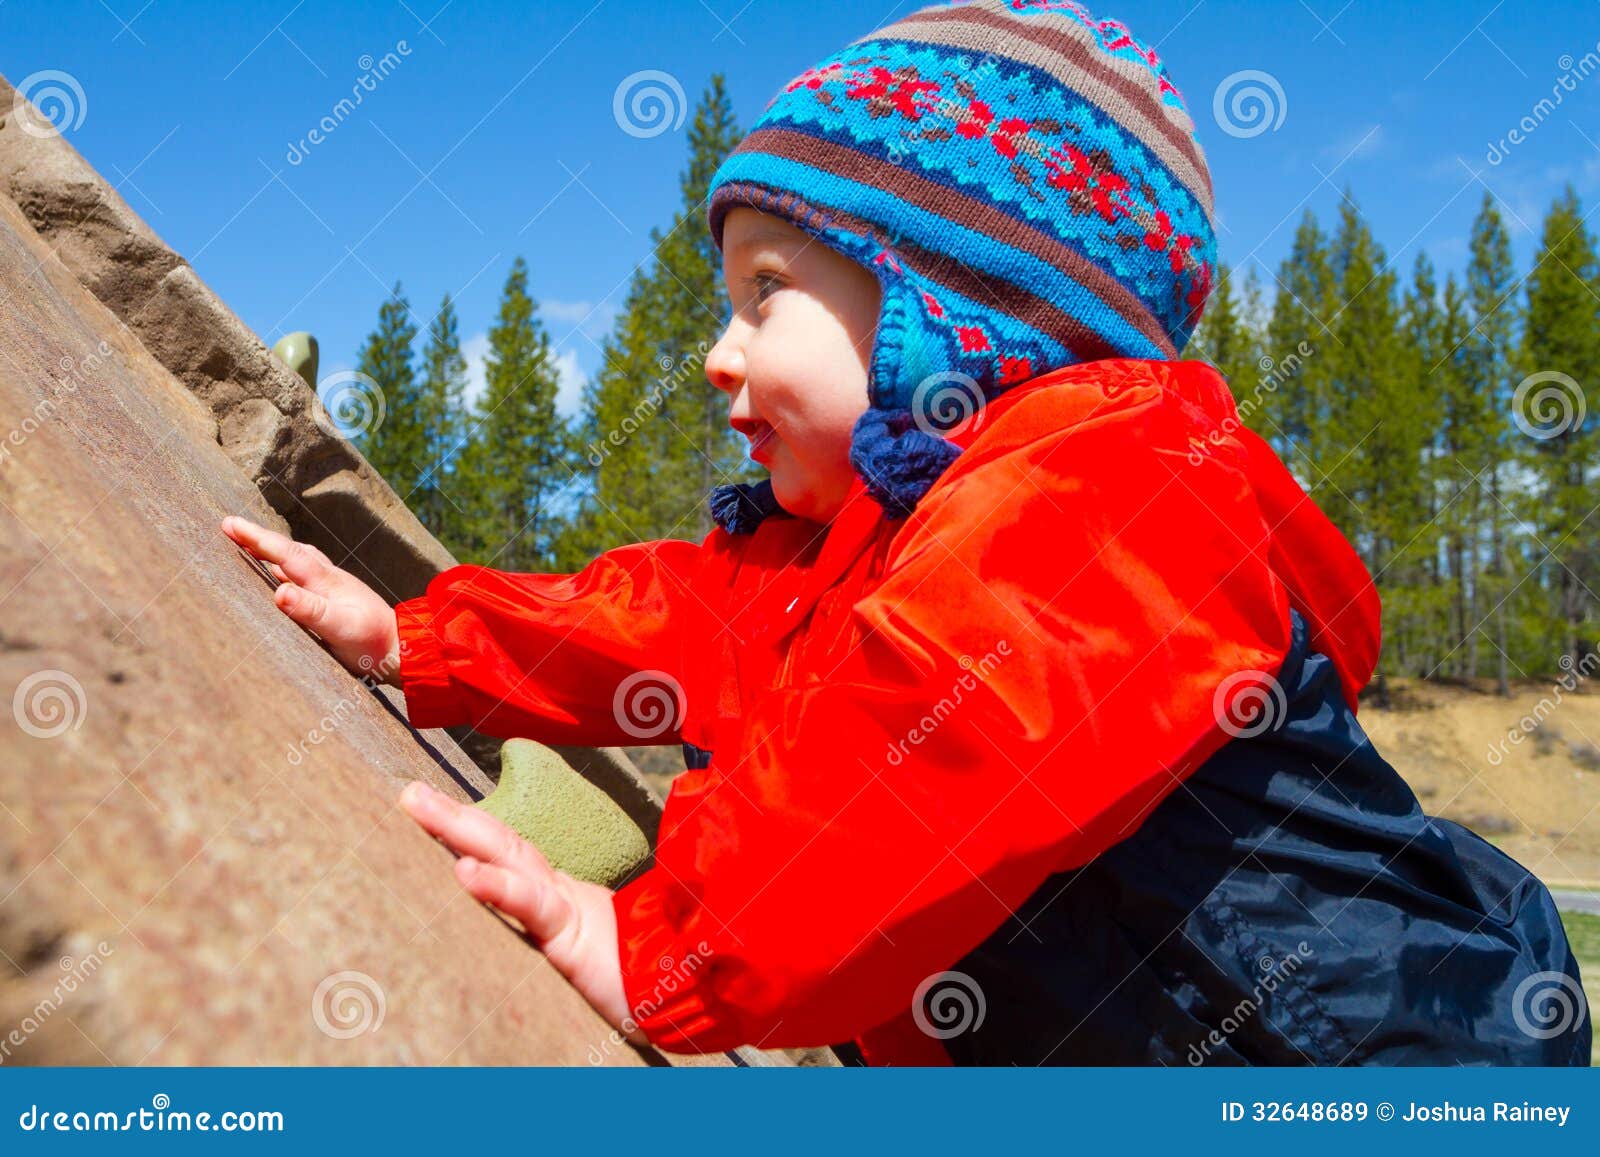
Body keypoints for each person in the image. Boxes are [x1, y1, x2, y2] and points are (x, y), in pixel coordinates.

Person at [224, 0, 1591, 1066]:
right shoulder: (870, 542)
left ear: (959, 302)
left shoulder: (1110, 490)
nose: (717, 352)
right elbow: (677, 617)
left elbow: (926, 726)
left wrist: (658, 946)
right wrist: (418, 632)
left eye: (767, 292)